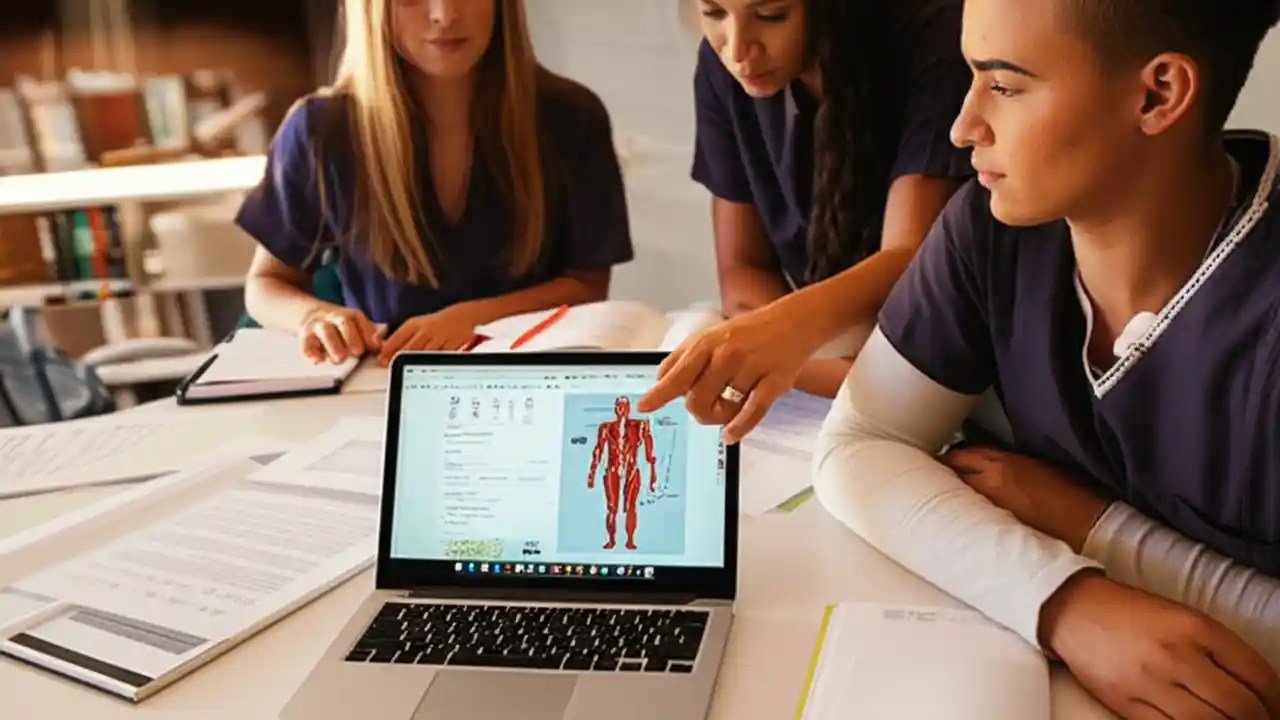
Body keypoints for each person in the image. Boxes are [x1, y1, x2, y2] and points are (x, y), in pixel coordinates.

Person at [811, 0, 1280, 718]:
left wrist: (1092, 526)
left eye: (1004, 85)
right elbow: (859, 447)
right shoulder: (992, 227)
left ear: (1157, 94)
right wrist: (1065, 600)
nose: (964, 127)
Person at [237, 0, 632, 366]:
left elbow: (587, 284)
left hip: (528, 378)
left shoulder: (572, 118)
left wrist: (476, 320)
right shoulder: (320, 130)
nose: (444, 13)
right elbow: (267, 283)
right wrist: (314, 315)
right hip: (383, 387)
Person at [679, 0, 972, 402]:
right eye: (713, 13)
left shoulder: (932, 34)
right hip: (838, 365)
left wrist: (784, 351)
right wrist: (787, 355)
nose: (737, 51)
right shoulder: (721, 67)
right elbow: (743, 266)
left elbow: (911, 257)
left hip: (943, 355)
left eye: (771, 16)